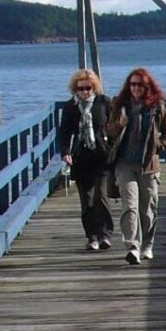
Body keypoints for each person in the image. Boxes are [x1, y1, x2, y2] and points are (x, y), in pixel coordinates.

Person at [105, 66, 166, 265]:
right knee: (130, 205)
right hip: (124, 164)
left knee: (148, 209)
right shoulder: (119, 105)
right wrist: (119, 124)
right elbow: (108, 132)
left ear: (147, 87)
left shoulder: (156, 107)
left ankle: (147, 245)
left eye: (140, 85)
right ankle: (132, 246)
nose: (136, 88)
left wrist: (158, 147)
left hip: (148, 166)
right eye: (132, 84)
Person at [57, 68, 114, 251]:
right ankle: (92, 236)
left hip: (101, 155)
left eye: (88, 88)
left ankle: (105, 234)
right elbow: (64, 132)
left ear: (94, 87)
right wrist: (65, 152)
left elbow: (114, 127)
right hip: (81, 157)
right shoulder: (70, 107)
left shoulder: (104, 102)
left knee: (101, 196)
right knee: (86, 200)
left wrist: (113, 148)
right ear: (75, 89)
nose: (84, 92)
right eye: (80, 89)